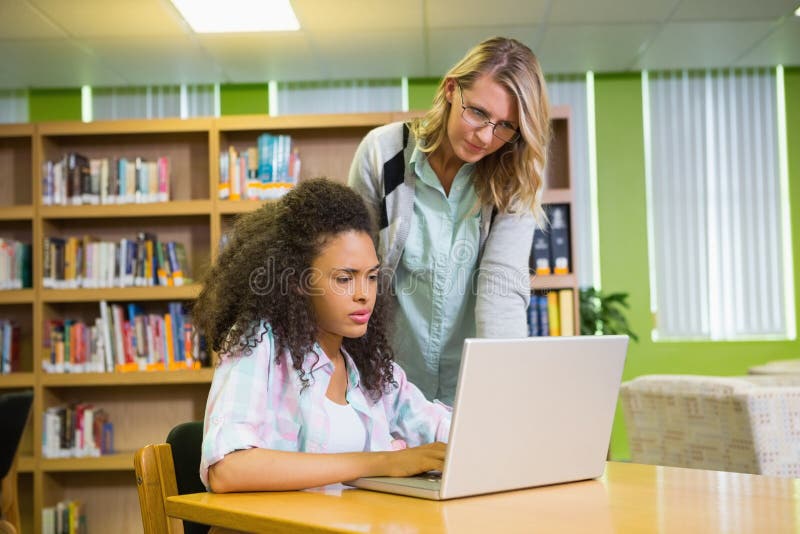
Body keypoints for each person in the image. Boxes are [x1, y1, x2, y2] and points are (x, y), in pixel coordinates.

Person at [194, 178, 451, 493]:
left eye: (371, 277)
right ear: (299, 281)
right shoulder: (260, 341)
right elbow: (228, 469)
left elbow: (438, 426)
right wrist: (381, 462)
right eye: (345, 278)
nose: (364, 295)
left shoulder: (368, 363)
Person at [348, 36, 550, 404]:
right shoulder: (382, 154)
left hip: (471, 392)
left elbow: (501, 288)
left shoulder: (516, 177)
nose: (487, 137)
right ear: (451, 89)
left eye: (506, 126)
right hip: (386, 388)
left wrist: (505, 396)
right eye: (478, 113)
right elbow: (350, 273)